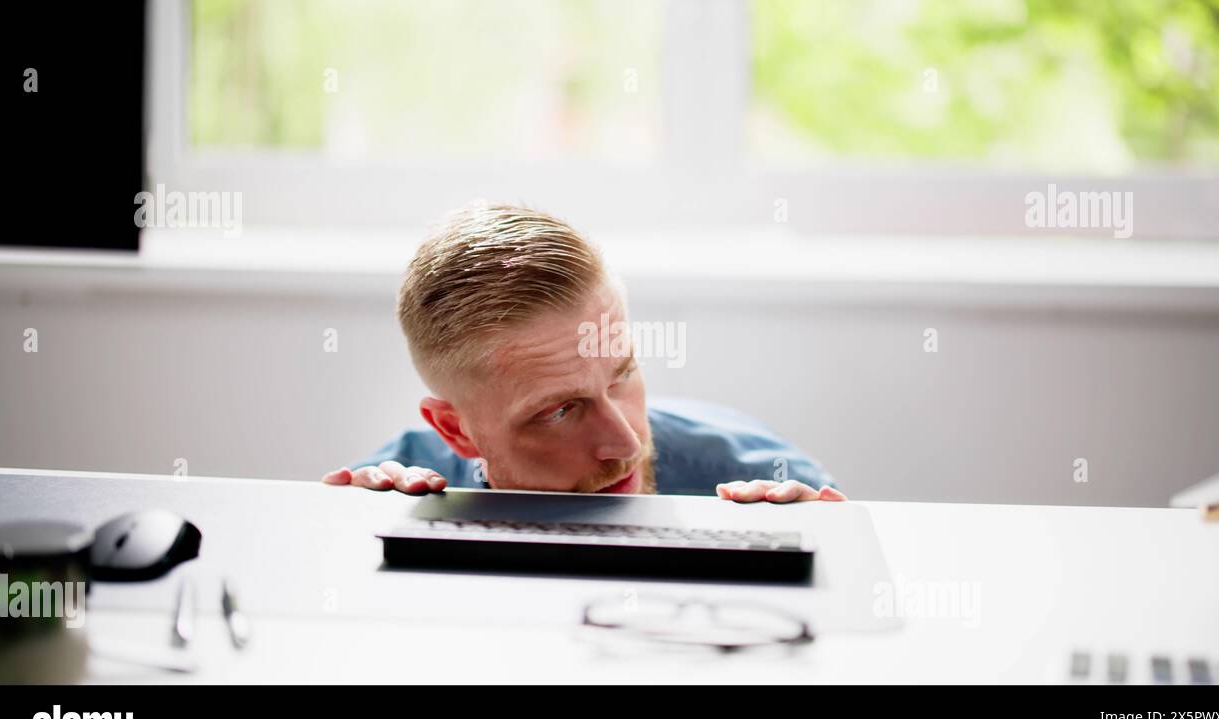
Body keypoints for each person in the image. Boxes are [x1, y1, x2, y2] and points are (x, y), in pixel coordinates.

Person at [323, 203, 845, 505]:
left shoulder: (758, 482)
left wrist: (821, 578)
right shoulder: (394, 501)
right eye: (559, 411)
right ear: (457, 431)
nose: (624, 443)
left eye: (623, 374)